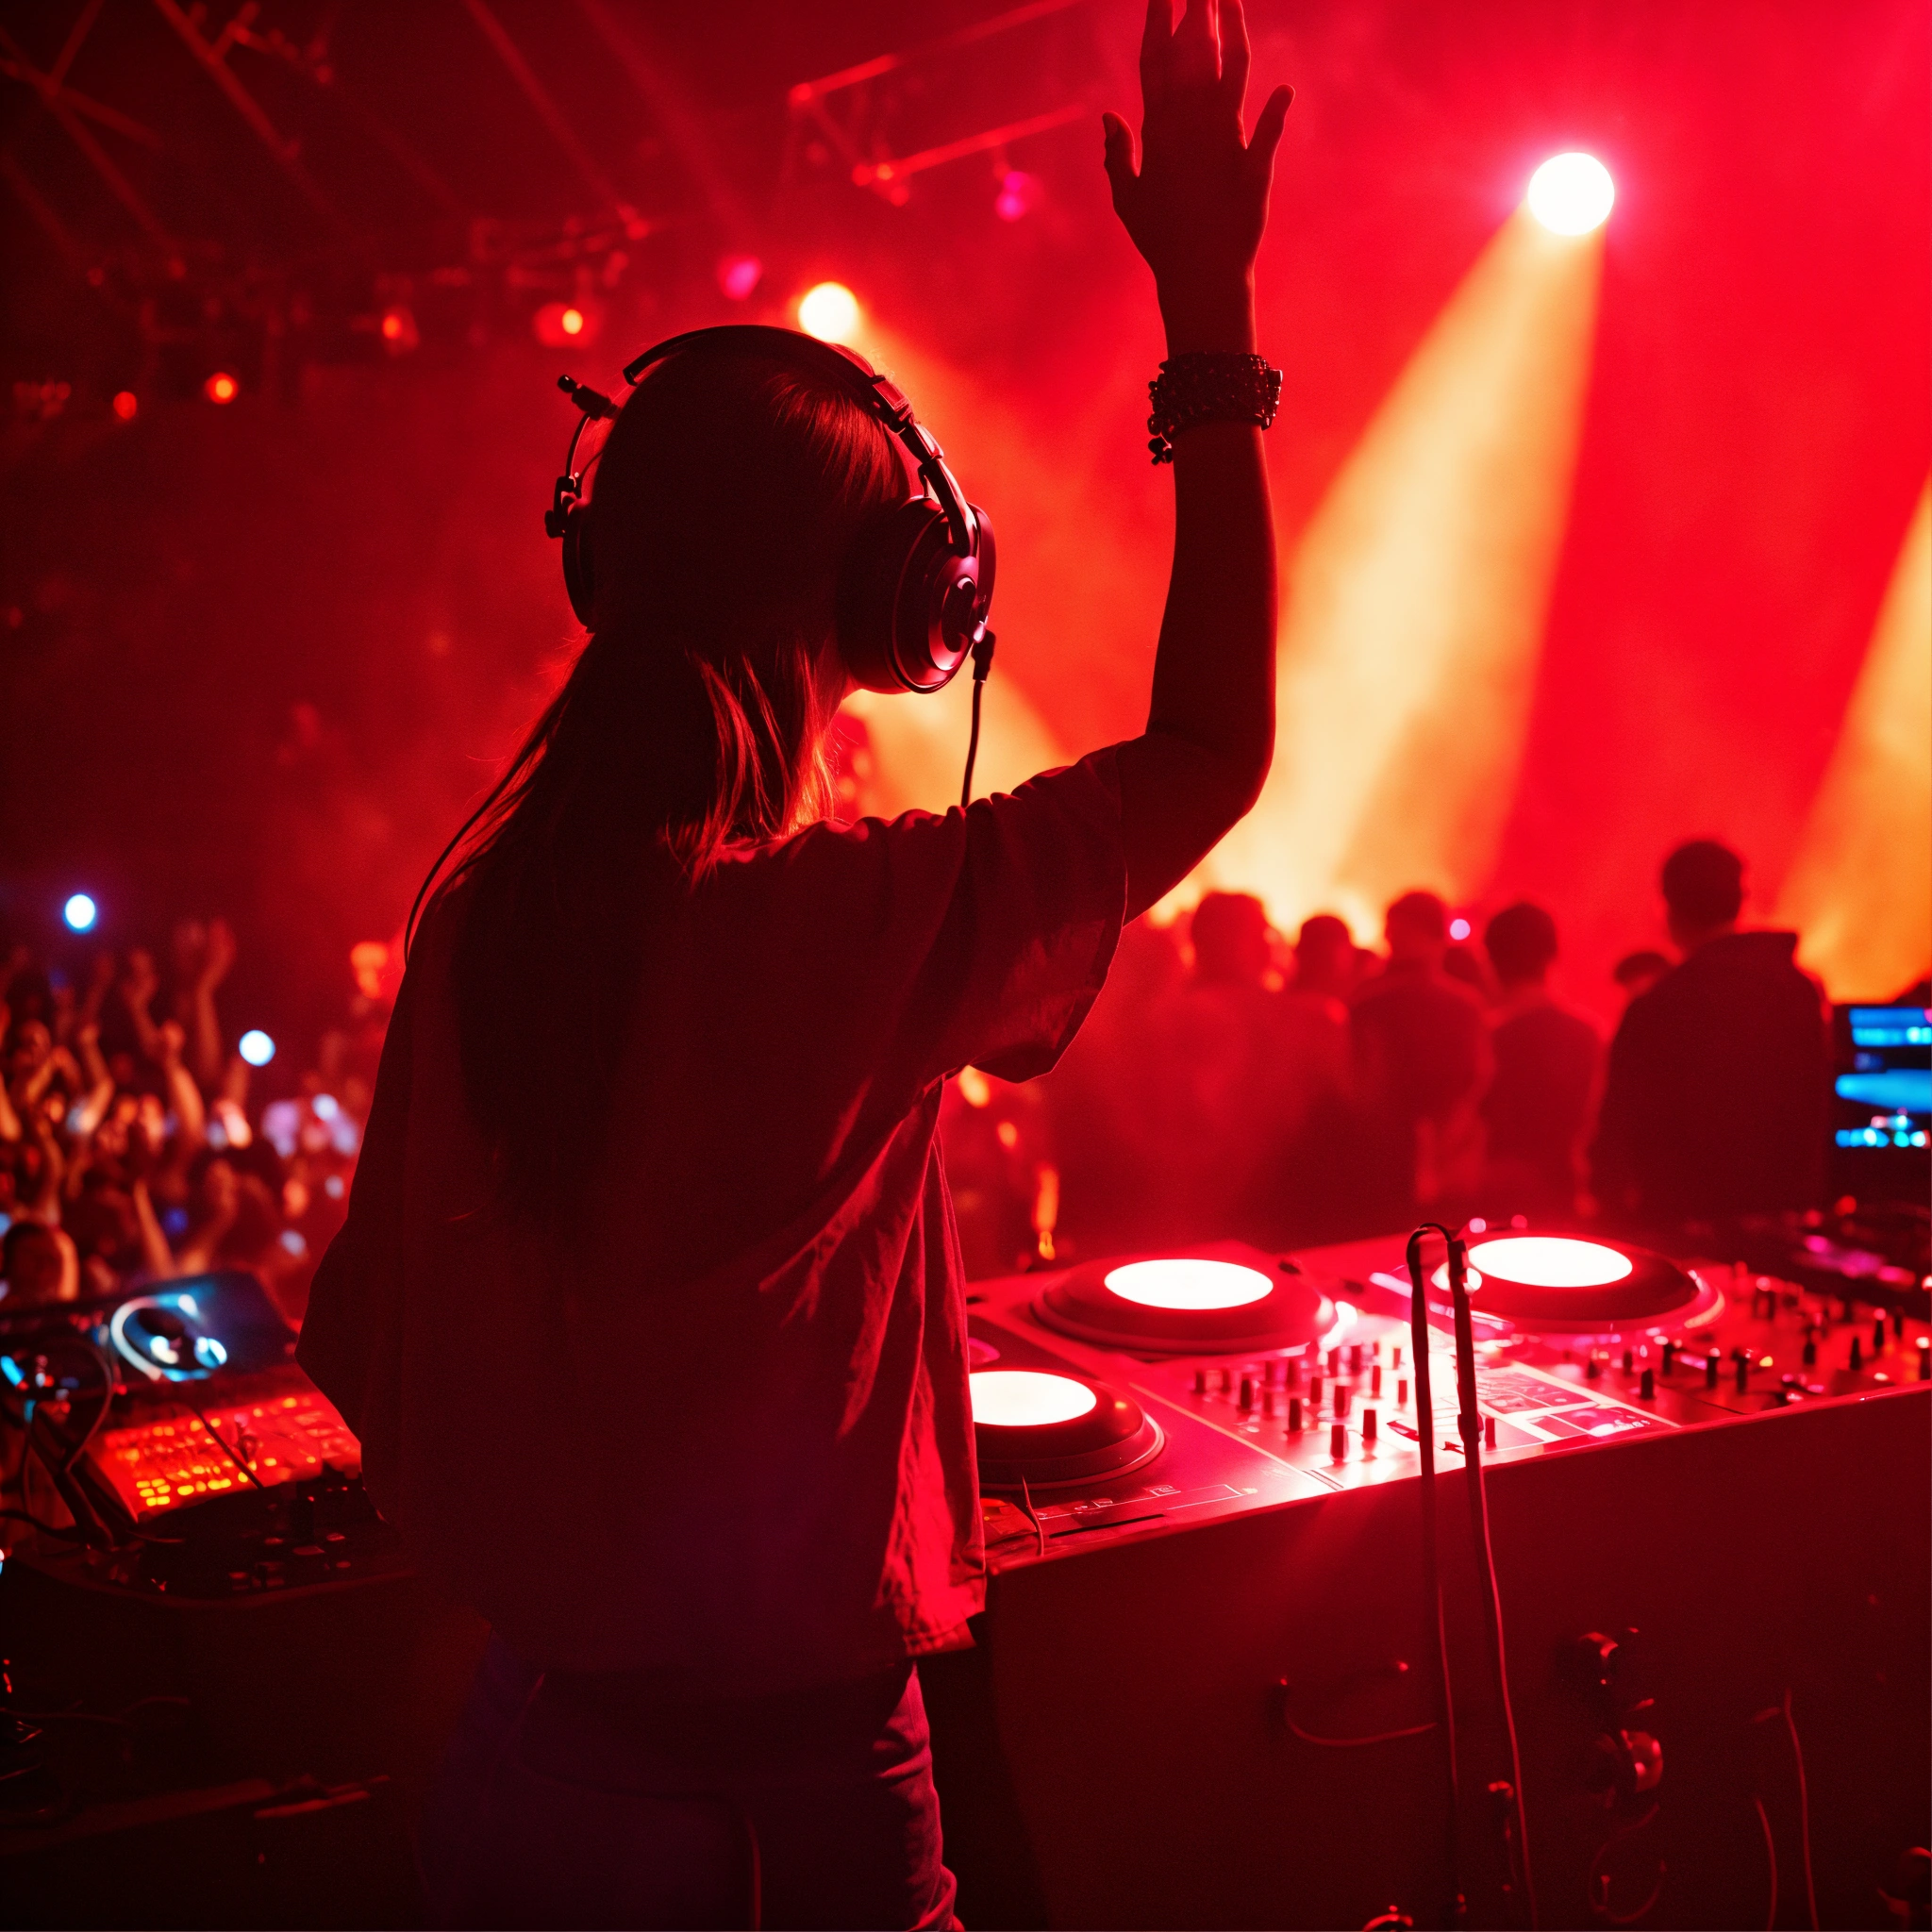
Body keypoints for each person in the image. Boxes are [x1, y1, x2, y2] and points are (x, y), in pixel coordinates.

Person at [297, 6, 1294, 1925]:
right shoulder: (838, 928)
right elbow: (1213, 751)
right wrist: (1207, 321)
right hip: (785, 1805)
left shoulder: (482, 910)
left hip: (518, 1764)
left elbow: (370, 1339)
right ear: (900, 609)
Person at [1591, 839, 1828, 1226]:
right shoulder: (1798, 993)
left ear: (1667, 907)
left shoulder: (1658, 1007)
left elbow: (1617, 1133)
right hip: (1783, 1224)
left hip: (1681, 1230)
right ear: (1741, 901)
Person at [1350, 890, 1490, 1223]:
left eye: (1395, 930)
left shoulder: (1366, 1002)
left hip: (1378, 1162)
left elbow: (1356, 1084)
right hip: (1441, 1161)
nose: (1387, 938)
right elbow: (1477, 1080)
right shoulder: (1464, 1004)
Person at [1478, 901, 1600, 1218]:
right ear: (1553, 955)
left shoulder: (1486, 1038)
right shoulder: (1587, 1035)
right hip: (1568, 1195)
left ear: (1490, 960)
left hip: (1498, 1199)